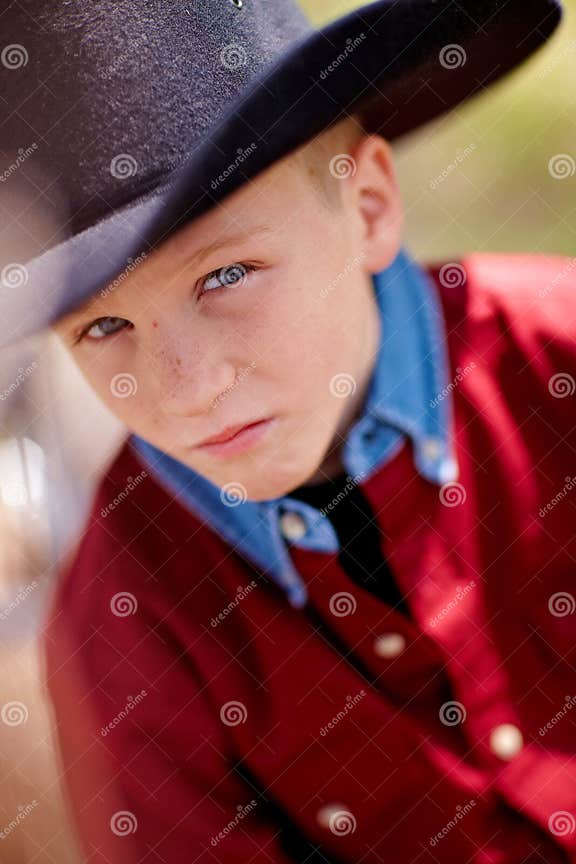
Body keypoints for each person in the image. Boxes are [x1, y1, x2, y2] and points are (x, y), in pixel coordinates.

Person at [2, 0, 574, 861]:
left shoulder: (555, 359)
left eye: (227, 273)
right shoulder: (128, 616)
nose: (189, 388)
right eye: (101, 327)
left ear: (373, 206)